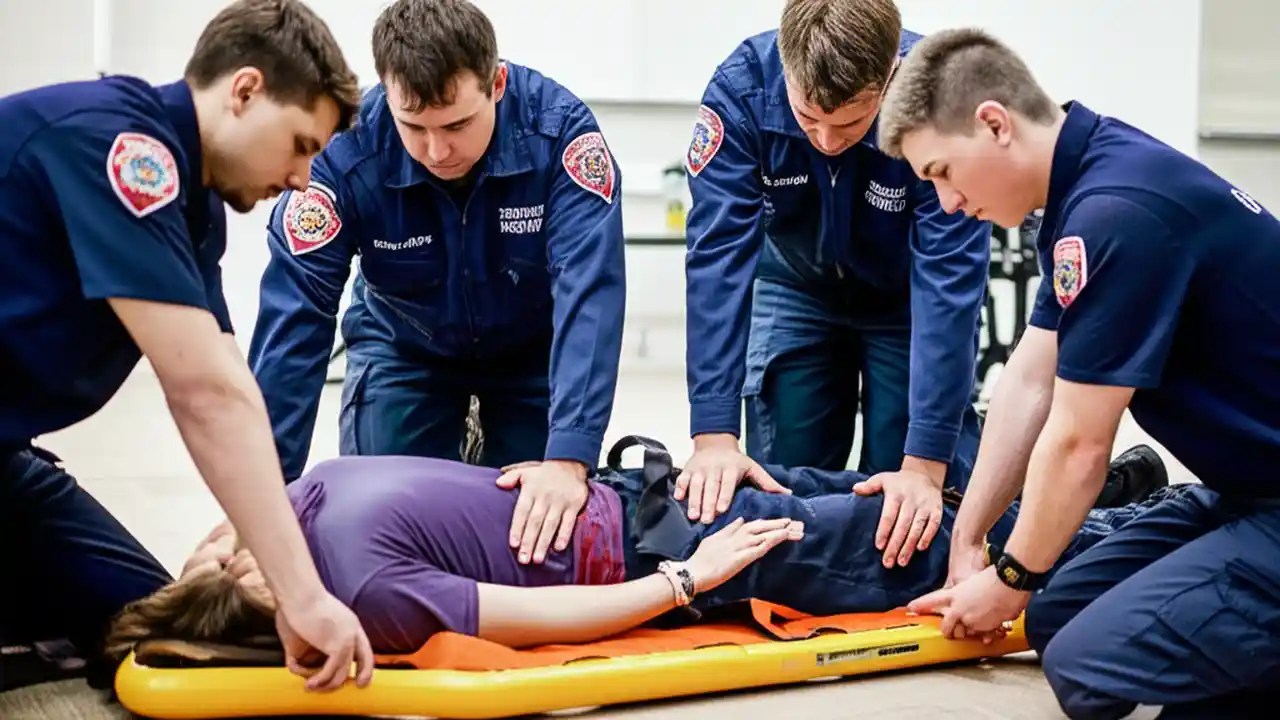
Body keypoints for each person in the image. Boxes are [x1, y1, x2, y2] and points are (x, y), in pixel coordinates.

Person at [878, 27, 1280, 719]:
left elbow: (1081, 445)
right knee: (1055, 613)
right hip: (1249, 486)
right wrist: (973, 544)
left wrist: (1008, 580)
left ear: (994, 123)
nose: (946, 202)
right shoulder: (1084, 187)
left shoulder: (1117, 212)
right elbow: (1030, 382)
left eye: (941, 172)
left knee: (1088, 668)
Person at [0, 0, 374, 692]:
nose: (301, 179)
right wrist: (303, 593)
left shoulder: (195, 211)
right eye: (301, 145)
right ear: (245, 91)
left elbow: (229, 379)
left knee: (156, 633)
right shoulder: (120, 149)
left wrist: (252, 541)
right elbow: (203, 393)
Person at [102, 441, 1175, 658]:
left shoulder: (320, 550)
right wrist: (686, 581)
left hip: (670, 514)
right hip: (663, 516)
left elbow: (534, 617)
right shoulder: (315, 518)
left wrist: (685, 572)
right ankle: (1123, 507)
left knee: (918, 536)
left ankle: (1121, 515)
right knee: (877, 514)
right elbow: (528, 618)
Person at [246, 0, 626, 567]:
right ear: (386, 91)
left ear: (495, 83)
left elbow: (589, 293)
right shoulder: (344, 153)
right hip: (404, 346)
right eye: (413, 127)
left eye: (457, 125)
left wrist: (569, 455)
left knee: (535, 540)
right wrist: (262, 506)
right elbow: (296, 321)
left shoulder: (560, 136)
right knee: (377, 522)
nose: (437, 151)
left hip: (531, 352)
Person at [680, 0, 991, 571]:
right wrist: (714, 434)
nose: (825, 139)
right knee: (785, 494)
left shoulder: (943, 102)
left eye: (849, 122)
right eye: (806, 117)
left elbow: (949, 282)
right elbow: (717, 260)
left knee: (905, 499)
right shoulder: (742, 91)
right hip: (795, 285)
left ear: (891, 75)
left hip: (908, 301)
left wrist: (924, 463)